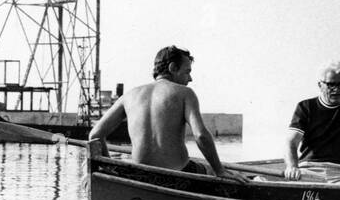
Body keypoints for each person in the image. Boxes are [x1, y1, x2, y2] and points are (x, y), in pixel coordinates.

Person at [89, 45, 241, 178]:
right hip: (178, 174)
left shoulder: (129, 96)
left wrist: (108, 166)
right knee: (211, 171)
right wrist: (219, 170)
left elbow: (95, 135)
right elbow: (200, 135)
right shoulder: (185, 93)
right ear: (173, 68)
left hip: (139, 174)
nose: (190, 78)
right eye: (187, 72)